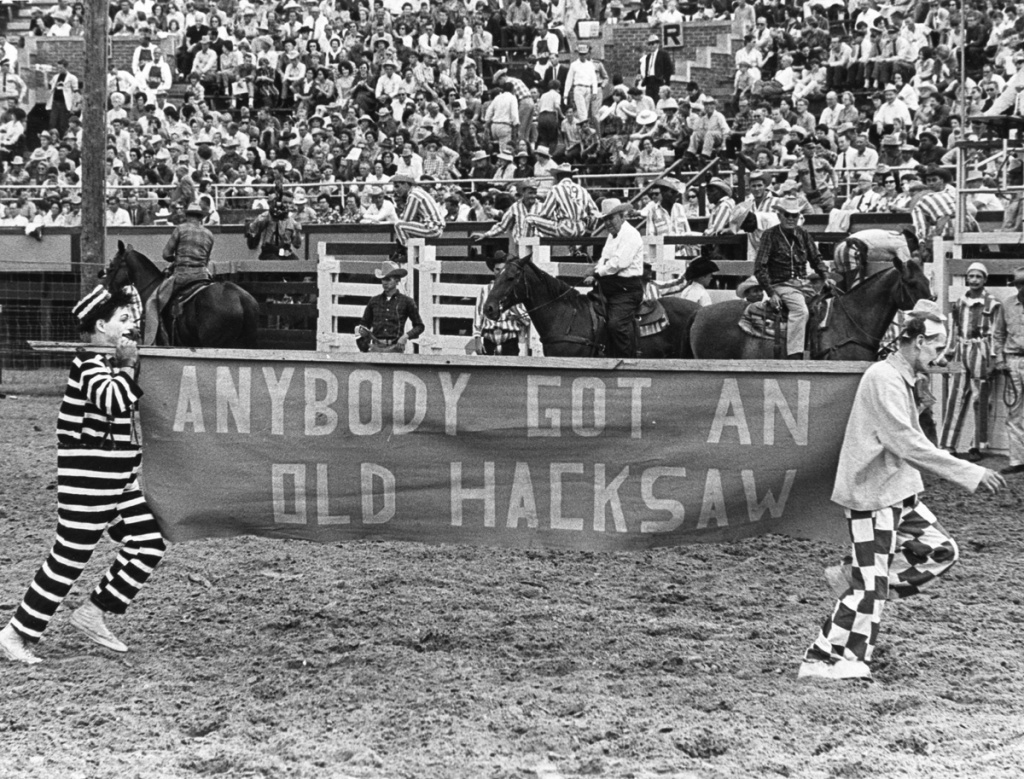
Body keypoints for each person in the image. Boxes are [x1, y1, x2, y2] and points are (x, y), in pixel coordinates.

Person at [799, 300, 1005, 682]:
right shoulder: (884, 378)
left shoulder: (898, 377)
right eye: (937, 347)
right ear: (917, 341)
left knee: (939, 551)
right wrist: (968, 472)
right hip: (873, 494)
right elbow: (906, 443)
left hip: (895, 493)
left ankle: (852, 588)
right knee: (871, 587)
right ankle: (834, 658)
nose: (940, 356)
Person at [0, 285, 167, 665]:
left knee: (150, 541)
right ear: (100, 326)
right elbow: (114, 400)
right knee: (68, 558)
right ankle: (16, 633)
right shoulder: (88, 364)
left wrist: (126, 366)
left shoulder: (106, 364)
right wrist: (128, 366)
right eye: (123, 320)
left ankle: (93, 611)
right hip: (88, 482)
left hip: (118, 478)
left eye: (132, 319)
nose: (132, 327)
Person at [937, 262, 1001, 461]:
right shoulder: (960, 302)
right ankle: (948, 444)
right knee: (954, 397)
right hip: (961, 351)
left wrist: (993, 360)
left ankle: (977, 446)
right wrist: (947, 354)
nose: (974, 280)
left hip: (981, 352)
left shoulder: (992, 304)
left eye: (978, 277)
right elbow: (954, 331)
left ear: (985, 280)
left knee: (980, 399)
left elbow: (997, 334)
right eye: (971, 276)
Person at [754, 197, 832, 359]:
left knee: (829, 304)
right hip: (781, 284)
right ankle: (794, 354)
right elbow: (760, 267)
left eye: (794, 216)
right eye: (787, 215)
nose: (790, 219)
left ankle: (819, 347)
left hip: (803, 284)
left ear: (799, 217)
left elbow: (816, 258)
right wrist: (771, 292)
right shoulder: (770, 235)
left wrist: (826, 276)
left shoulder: (803, 234)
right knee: (800, 310)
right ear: (779, 215)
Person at [143, 202, 214, 345]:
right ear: (201, 218)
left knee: (152, 302)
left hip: (182, 276)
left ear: (187, 216)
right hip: (202, 276)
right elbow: (206, 260)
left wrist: (176, 259)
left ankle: (149, 343)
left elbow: (166, 254)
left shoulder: (180, 229)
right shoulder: (209, 234)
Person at [584, 199, 644, 358]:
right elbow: (605, 259)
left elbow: (619, 263)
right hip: (609, 286)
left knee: (616, 325)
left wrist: (596, 273)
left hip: (626, 290)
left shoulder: (631, 234)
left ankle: (626, 360)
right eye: (605, 219)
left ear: (622, 216)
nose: (608, 223)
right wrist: (595, 270)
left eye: (611, 218)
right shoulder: (613, 236)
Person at [993, 266, 1024, 476]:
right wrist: (1000, 359)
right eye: (1020, 284)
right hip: (1014, 360)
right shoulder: (1007, 305)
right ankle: (1017, 460)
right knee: (1015, 412)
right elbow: (998, 334)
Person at [356, 261, 425, 353]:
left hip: (396, 346)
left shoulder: (406, 302)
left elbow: (419, 326)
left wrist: (405, 336)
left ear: (397, 281)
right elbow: (364, 324)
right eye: (383, 279)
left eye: (388, 279)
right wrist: (364, 333)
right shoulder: (374, 301)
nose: (385, 282)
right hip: (375, 346)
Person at [470, 251, 531, 356]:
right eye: (497, 269)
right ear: (493, 270)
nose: (499, 273)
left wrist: (511, 308)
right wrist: (477, 338)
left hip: (509, 339)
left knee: (510, 370)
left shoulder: (514, 291)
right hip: (489, 338)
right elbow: (478, 315)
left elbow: (526, 320)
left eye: (502, 270)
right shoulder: (485, 290)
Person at [390, 173, 445, 261]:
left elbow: (406, 219)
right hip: (434, 227)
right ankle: (410, 253)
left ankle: (406, 252)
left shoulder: (414, 195)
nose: (395, 190)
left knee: (398, 225)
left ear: (406, 184)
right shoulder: (419, 191)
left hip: (432, 228)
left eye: (397, 186)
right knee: (404, 230)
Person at [245, 195, 303, 260]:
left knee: (296, 263)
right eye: (285, 202)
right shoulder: (266, 216)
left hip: (286, 252)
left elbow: (297, 245)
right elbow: (252, 232)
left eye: (289, 203)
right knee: (277, 264)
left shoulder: (292, 221)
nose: (287, 205)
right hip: (269, 252)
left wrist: (298, 232)